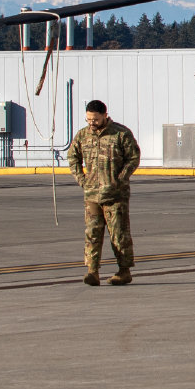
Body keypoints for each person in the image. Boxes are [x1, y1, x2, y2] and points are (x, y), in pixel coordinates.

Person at [68, 99, 141, 285]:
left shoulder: (120, 134)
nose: (92, 123)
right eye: (89, 119)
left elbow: (133, 157)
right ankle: (92, 271)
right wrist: (82, 180)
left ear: (105, 116)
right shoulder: (83, 136)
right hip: (92, 195)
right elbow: (72, 157)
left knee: (119, 234)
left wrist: (120, 179)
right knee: (92, 233)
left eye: (95, 119)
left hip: (115, 195)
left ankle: (124, 271)